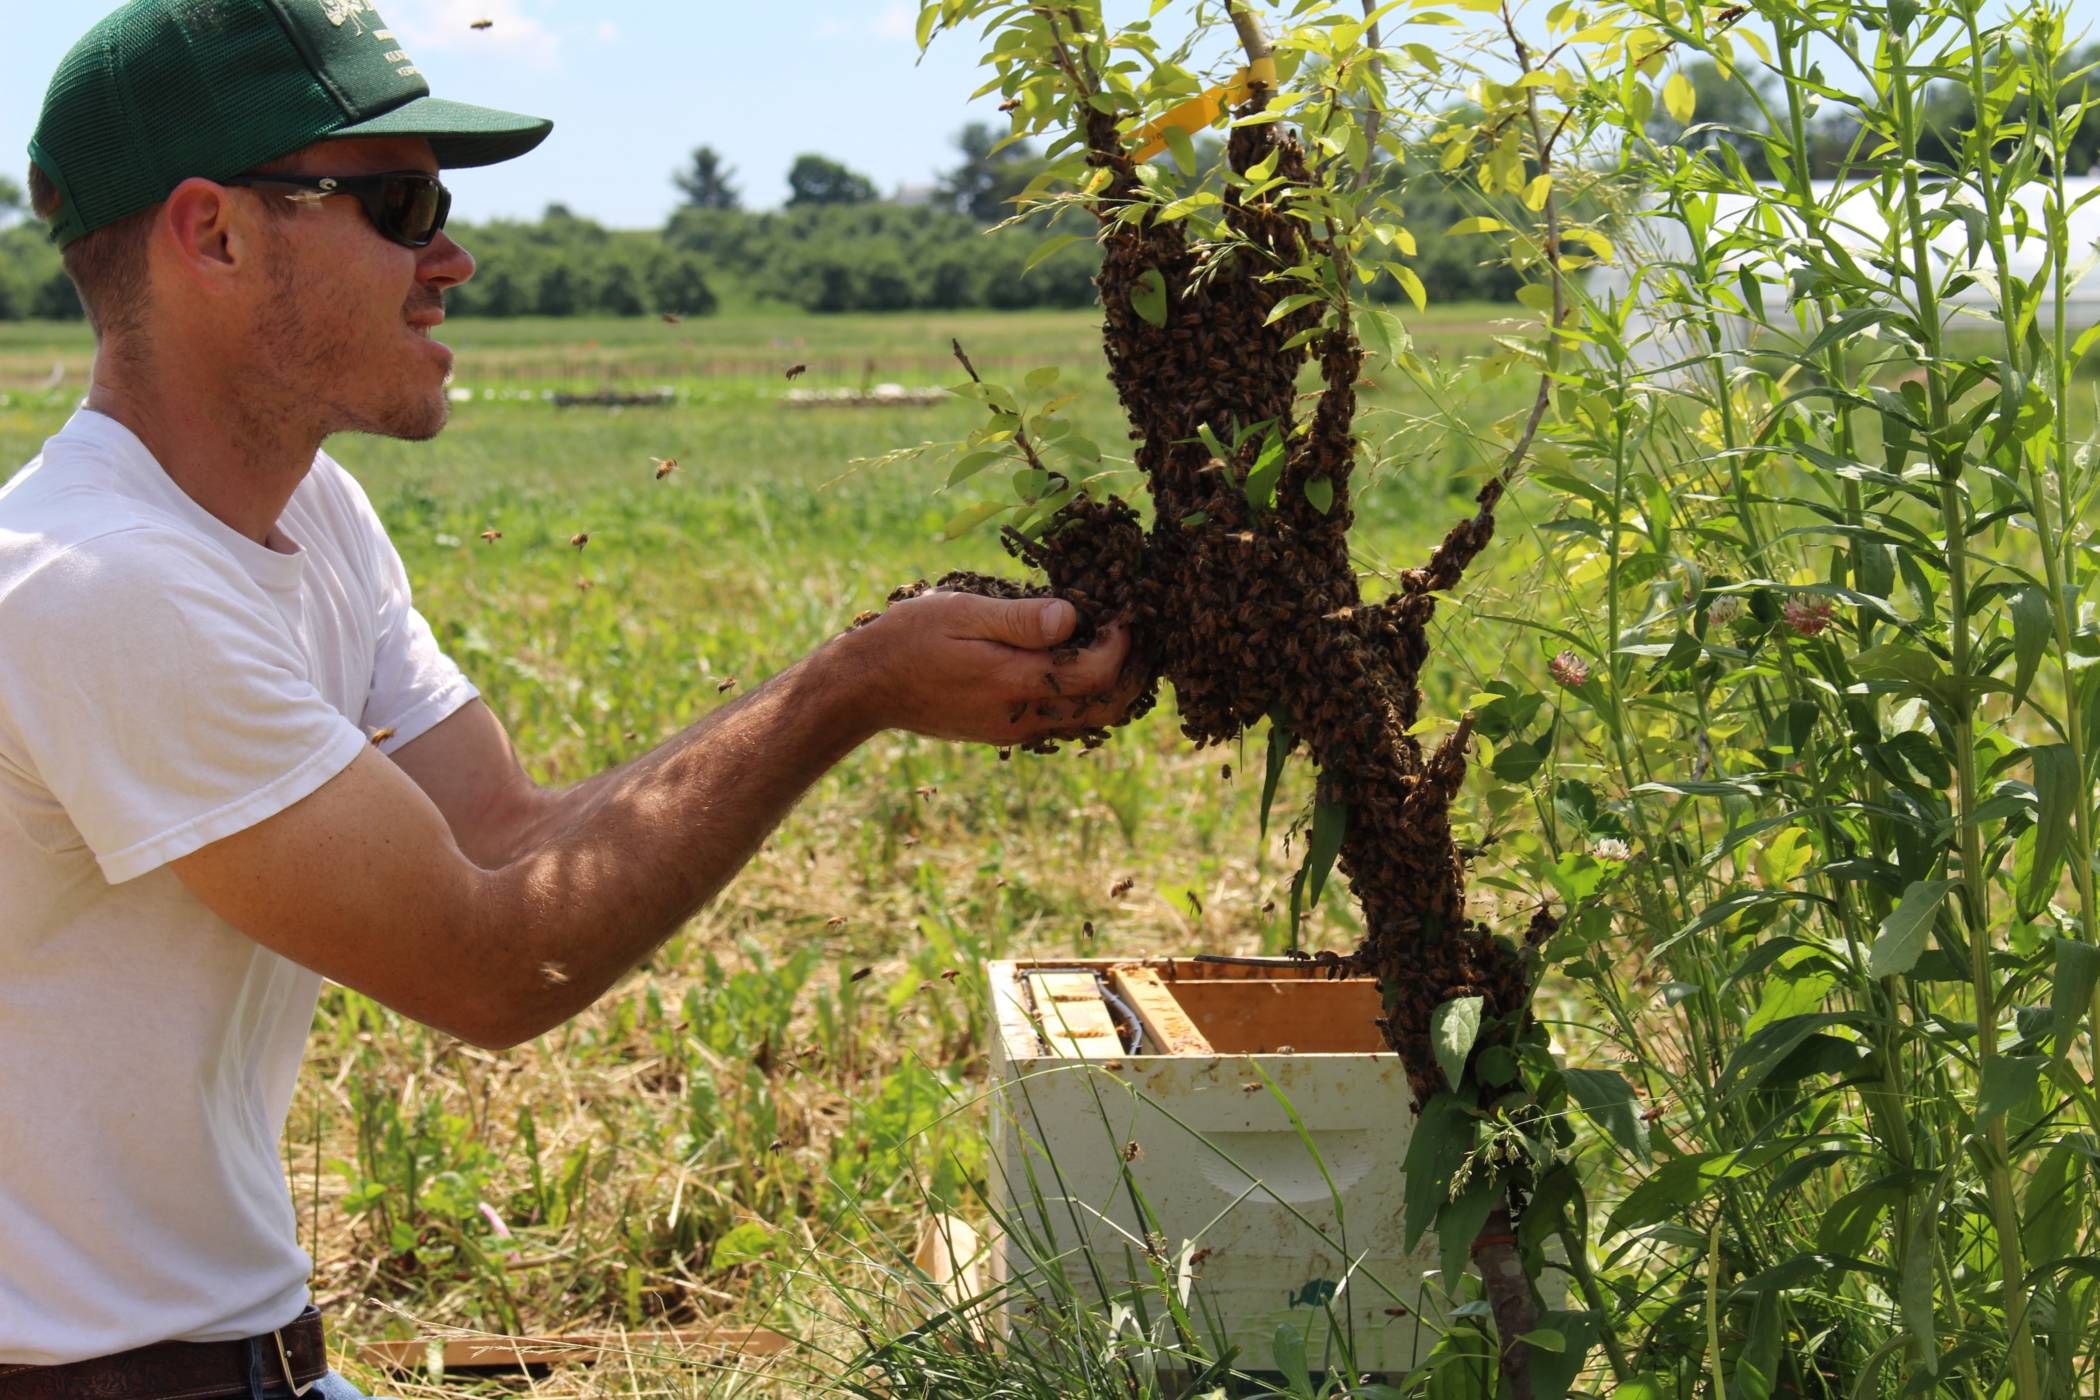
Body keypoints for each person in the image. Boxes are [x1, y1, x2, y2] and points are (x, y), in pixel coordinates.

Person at [0, 2, 1133, 1394]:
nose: (450, 257)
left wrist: (863, 674)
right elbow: (492, 962)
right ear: (213, 234)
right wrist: (849, 690)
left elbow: (501, 836)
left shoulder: (315, 520)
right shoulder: (103, 586)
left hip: (251, 1360)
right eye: (398, 203)